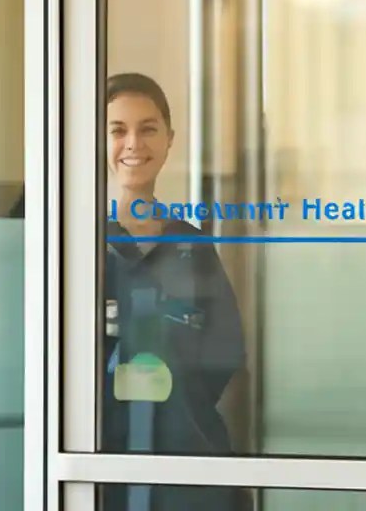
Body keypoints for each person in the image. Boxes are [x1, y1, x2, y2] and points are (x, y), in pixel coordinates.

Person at [101, 72, 248, 511]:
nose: (133, 144)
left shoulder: (191, 245)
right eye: (117, 130)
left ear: (169, 140)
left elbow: (223, 353)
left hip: (186, 469)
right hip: (95, 469)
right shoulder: (69, 244)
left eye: (148, 129)